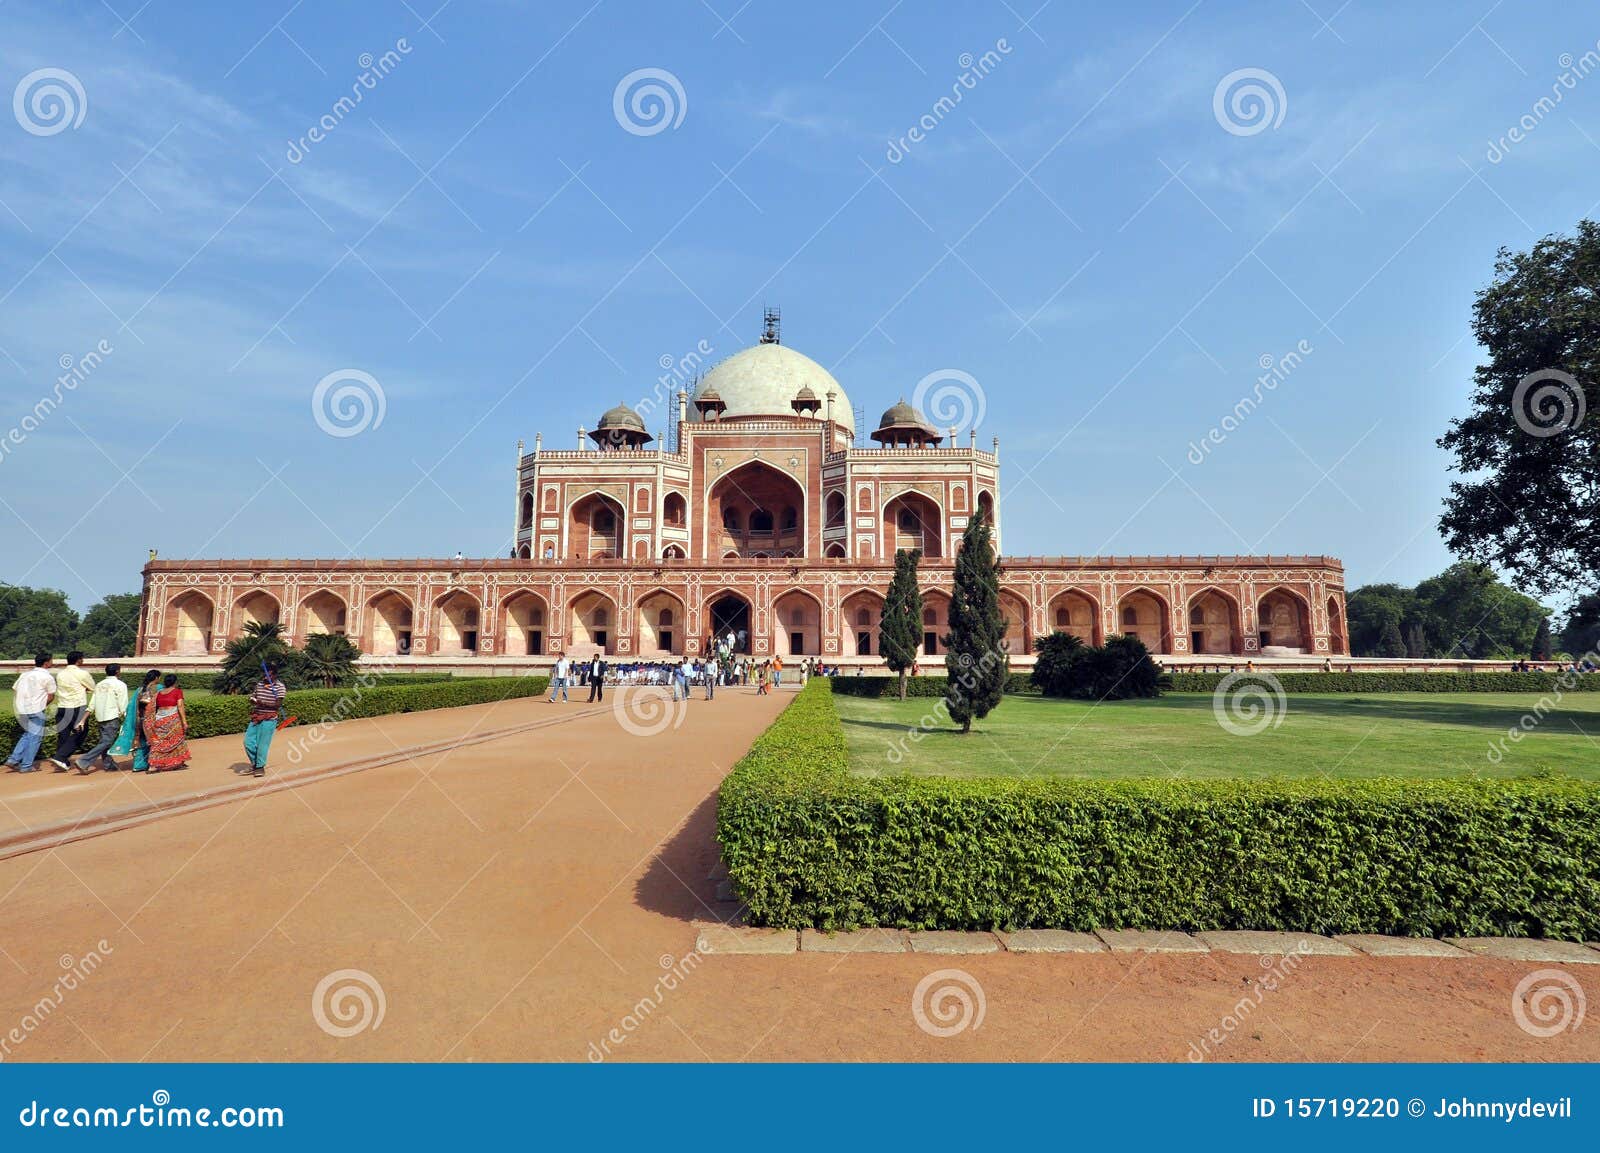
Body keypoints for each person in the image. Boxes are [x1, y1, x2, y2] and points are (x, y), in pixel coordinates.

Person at [73, 663, 129, 773]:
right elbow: (123, 704)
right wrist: (127, 717)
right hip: (111, 716)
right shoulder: (120, 684)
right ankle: (84, 761)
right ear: (117, 672)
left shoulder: (100, 684)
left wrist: (83, 719)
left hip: (100, 717)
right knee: (107, 742)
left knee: (105, 741)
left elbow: (92, 704)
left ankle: (109, 765)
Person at [4, 654, 56, 773]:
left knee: (27, 735)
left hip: (22, 709)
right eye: (51, 660)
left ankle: (13, 759)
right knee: (35, 738)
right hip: (36, 709)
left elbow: (15, 688)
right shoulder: (48, 677)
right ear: (46, 663)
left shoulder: (25, 674)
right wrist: (42, 705)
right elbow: (51, 696)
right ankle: (26, 765)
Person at [49, 651, 96, 771]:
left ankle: (62, 761)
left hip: (62, 706)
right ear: (79, 660)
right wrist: (84, 689)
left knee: (63, 734)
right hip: (77, 706)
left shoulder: (60, 674)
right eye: (82, 659)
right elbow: (93, 688)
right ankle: (60, 757)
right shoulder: (82, 673)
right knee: (81, 733)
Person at [244, 660, 287, 778]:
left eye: (269, 674)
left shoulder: (280, 687)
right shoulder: (260, 684)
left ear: (275, 675)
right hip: (256, 716)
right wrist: (252, 699)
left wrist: (262, 703)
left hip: (270, 718)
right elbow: (254, 696)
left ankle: (259, 767)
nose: (266, 677)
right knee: (248, 742)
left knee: (262, 744)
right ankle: (255, 763)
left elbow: (277, 705)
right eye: (264, 674)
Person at [144, 672, 191, 772]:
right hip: (173, 720)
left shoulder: (159, 693)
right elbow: (180, 706)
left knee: (158, 742)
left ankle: (153, 765)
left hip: (159, 720)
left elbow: (152, 707)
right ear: (175, 682)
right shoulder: (177, 691)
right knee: (177, 741)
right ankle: (177, 762)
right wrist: (184, 722)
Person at [124, 670, 161, 771]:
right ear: (156, 678)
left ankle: (138, 765)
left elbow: (131, 705)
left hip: (139, 718)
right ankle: (153, 763)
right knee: (154, 740)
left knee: (141, 741)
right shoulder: (158, 688)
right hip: (152, 719)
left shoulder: (139, 689)